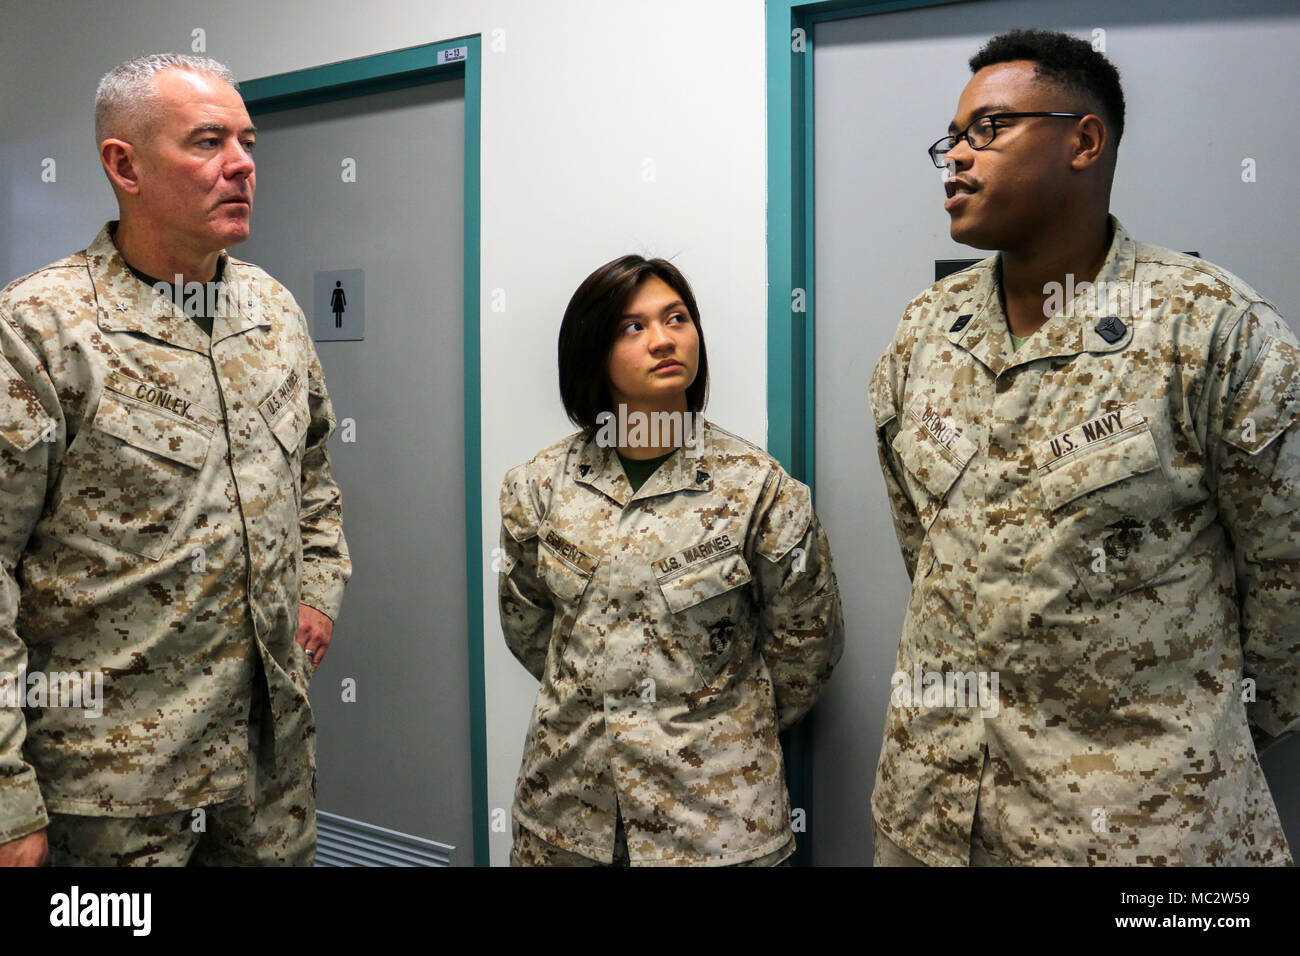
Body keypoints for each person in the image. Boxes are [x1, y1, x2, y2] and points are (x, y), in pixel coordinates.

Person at [869, 28, 1299, 866]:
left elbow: (1289, 581)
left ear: (1084, 140)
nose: (955, 158)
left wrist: (1193, 742)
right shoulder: (925, 332)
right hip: (932, 817)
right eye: (949, 140)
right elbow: (929, 549)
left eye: (986, 130)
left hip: (1140, 835)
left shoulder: (1209, 327)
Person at [0, 54, 350, 866]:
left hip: (268, 774)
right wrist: (8, 798)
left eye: (247, 142)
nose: (242, 165)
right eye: (208, 142)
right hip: (110, 792)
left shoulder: (272, 312)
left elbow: (315, 477)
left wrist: (321, 589)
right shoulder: (38, 331)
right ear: (124, 165)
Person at [498, 255, 845, 865]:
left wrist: (717, 731)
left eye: (677, 318)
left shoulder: (756, 490)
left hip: (716, 830)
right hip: (566, 822)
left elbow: (806, 649)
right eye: (632, 327)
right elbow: (528, 628)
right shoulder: (537, 488)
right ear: (592, 353)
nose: (663, 339)